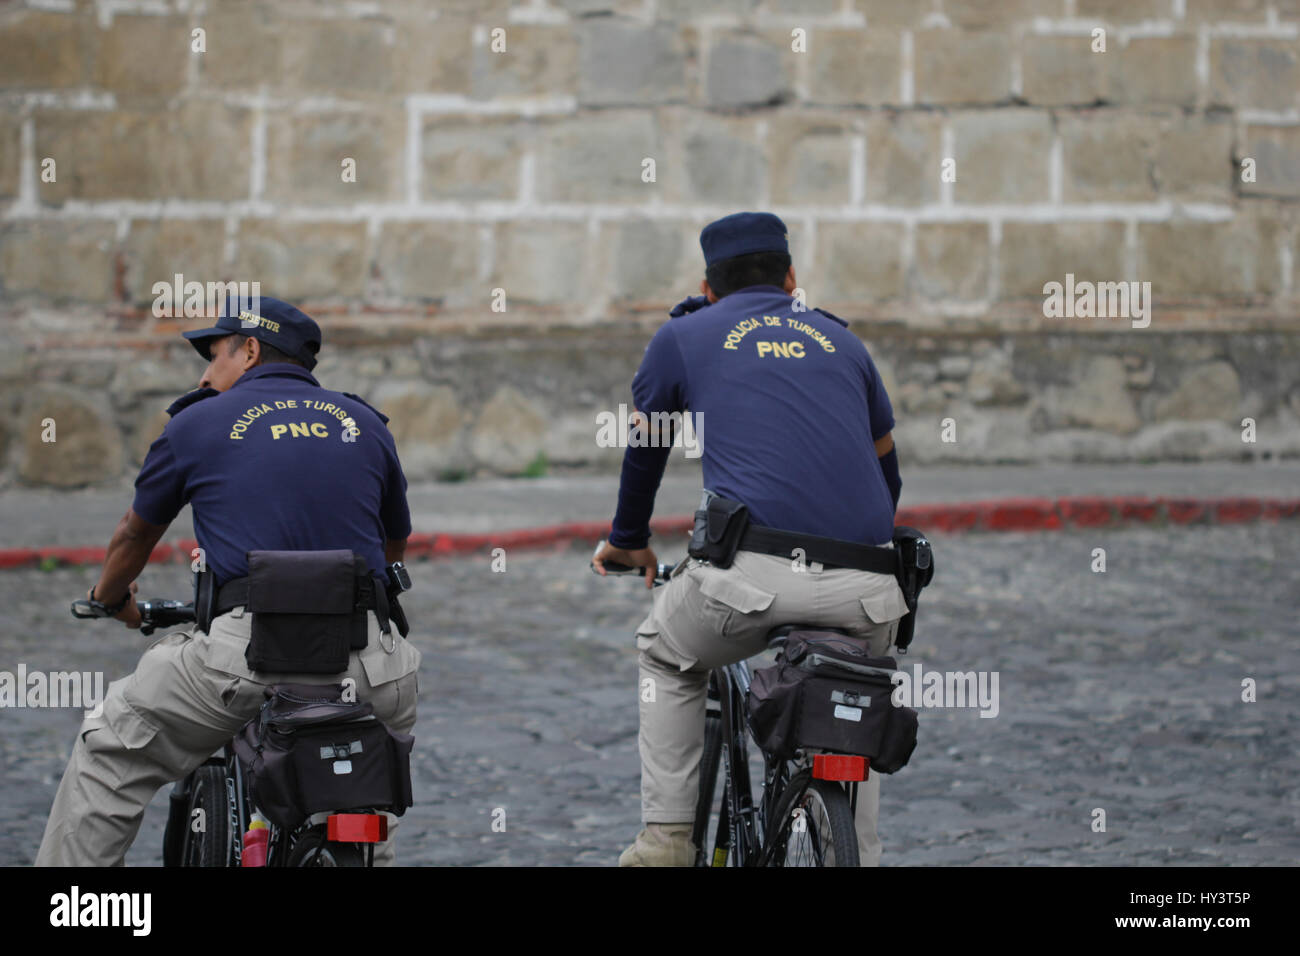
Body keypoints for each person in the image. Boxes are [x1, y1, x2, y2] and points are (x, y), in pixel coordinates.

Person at [36, 295, 421, 866]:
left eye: (213, 352)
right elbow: (392, 548)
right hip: (373, 661)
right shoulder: (364, 423)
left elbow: (134, 536)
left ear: (249, 349)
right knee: (363, 784)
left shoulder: (196, 423)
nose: (203, 371)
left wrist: (109, 598)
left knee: (112, 748)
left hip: (246, 655)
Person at [592, 211, 908, 867]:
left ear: (708, 285)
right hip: (871, 586)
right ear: (791, 278)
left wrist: (628, 541)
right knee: (854, 688)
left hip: (752, 582)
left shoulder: (683, 336)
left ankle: (667, 841)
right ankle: (862, 854)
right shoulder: (843, 344)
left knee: (665, 655)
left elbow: (645, 451)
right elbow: (887, 470)